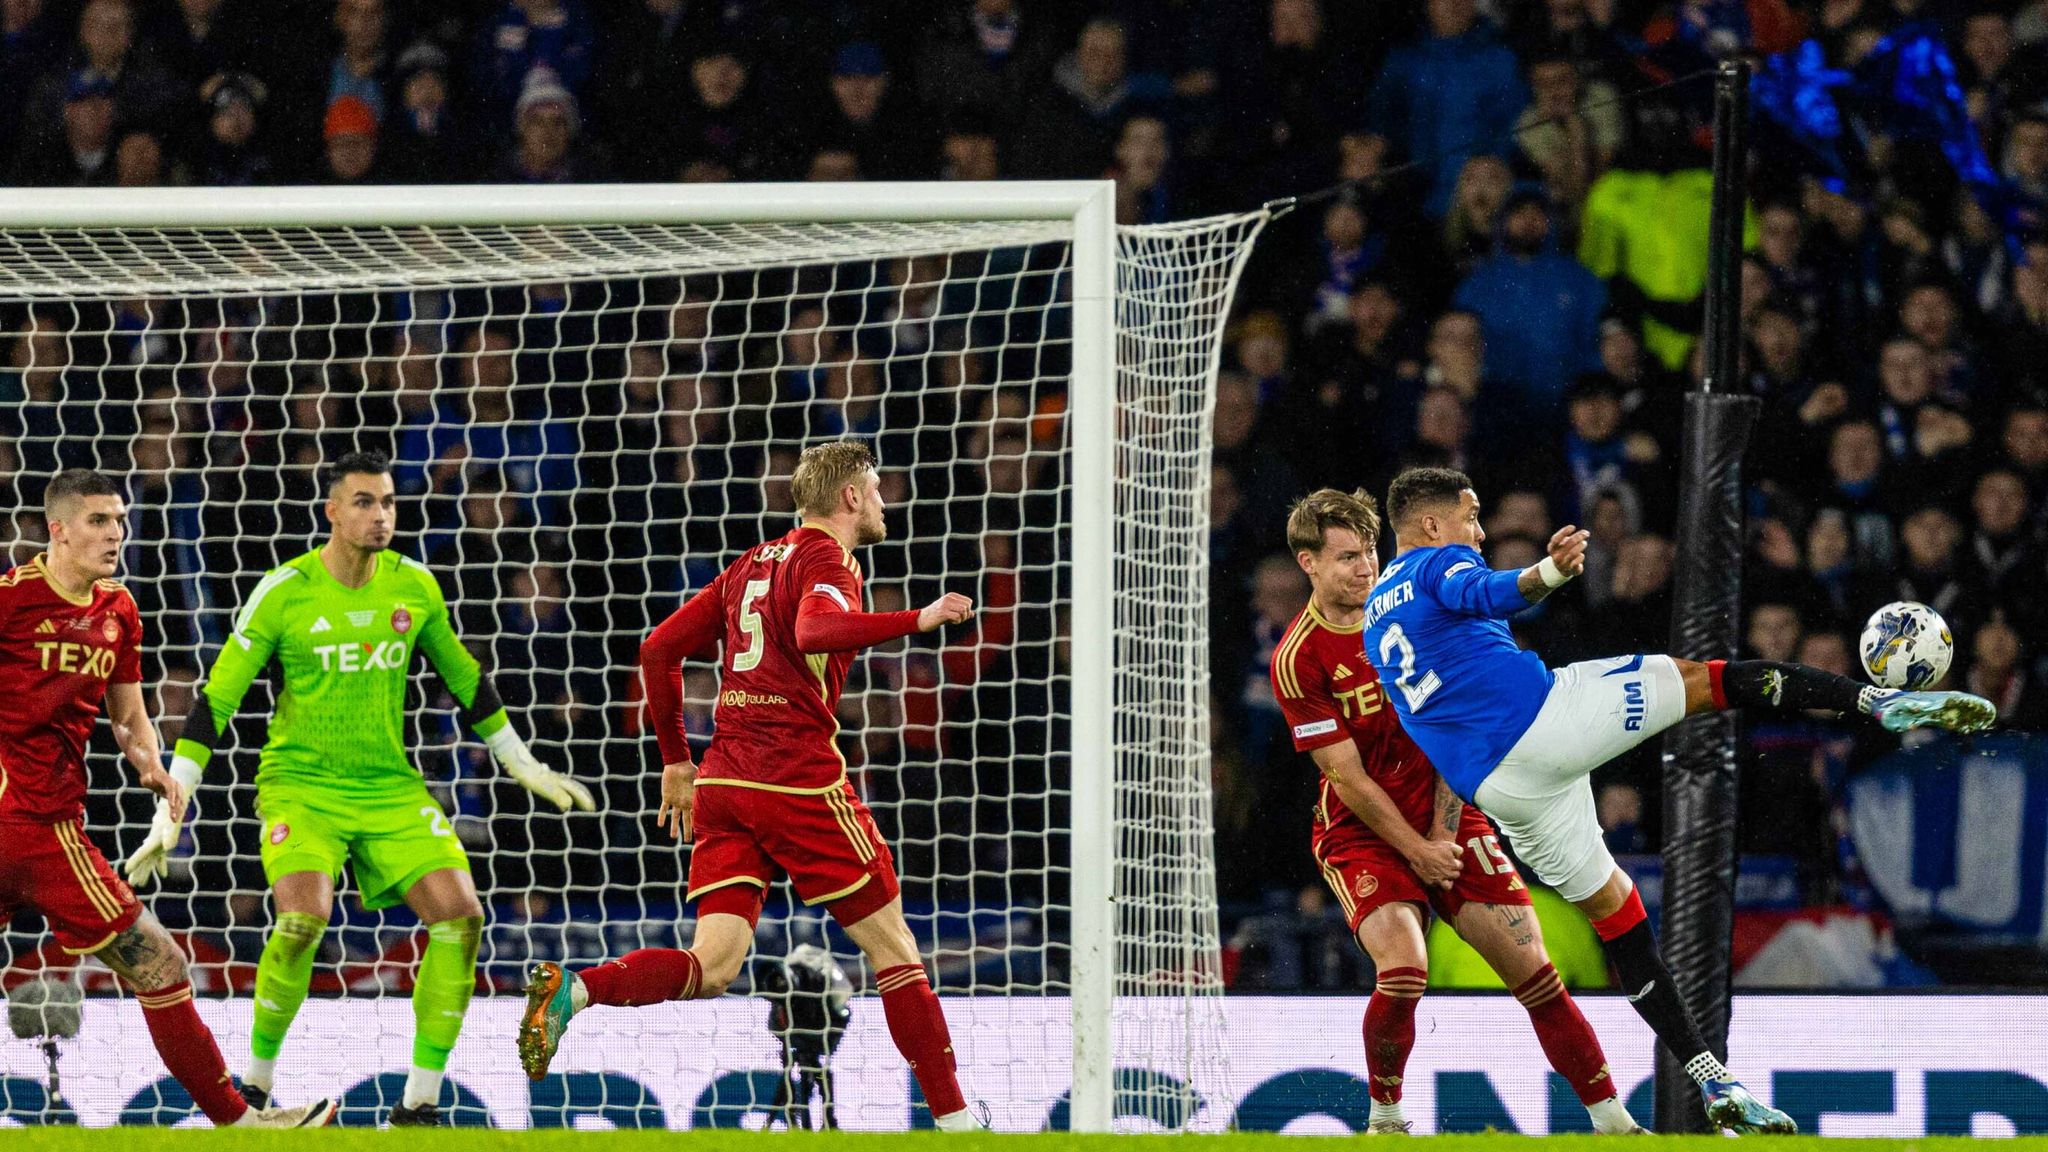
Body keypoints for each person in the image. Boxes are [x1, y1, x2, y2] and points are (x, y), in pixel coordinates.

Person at [1360, 466, 1998, 1134]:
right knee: (1706, 680)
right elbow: (1490, 590)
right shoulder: (1438, 563)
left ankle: (1711, 1079)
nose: (1480, 529)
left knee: (1617, 912)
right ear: (1430, 524)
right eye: (1471, 515)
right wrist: (1546, 574)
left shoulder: (1378, 616)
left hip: (1501, 788)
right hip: (1543, 720)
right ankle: (1877, 701)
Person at [516, 440, 983, 1130]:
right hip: (795, 778)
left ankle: (576, 991)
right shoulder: (829, 559)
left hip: (723, 780)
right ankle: (959, 1127)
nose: (885, 501)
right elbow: (817, 627)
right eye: (877, 489)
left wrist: (677, 760)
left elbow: (657, 650)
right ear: (850, 496)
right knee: (896, 951)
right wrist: (918, 618)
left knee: (714, 964)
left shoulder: (748, 566)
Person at [123, 450, 594, 1126]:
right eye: (366, 502)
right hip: (301, 785)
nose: (381, 515)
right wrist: (176, 799)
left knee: (461, 921)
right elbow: (216, 698)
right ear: (333, 511)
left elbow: (465, 677)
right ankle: (254, 1087)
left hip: (390, 789)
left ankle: (419, 1106)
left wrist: (519, 760)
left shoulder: (414, 587)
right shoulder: (286, 591)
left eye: (388, 503)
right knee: (301, 920)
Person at [1271, 488, 1637, 1135]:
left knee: (1537, 975)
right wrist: (1415, 851)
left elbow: (1455, 724)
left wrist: (1441, 833)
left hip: (1449, 815)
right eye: (1348, 557)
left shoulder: (1409, 612)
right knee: (1405, 968)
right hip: (1364, 832)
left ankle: (1615, 1124)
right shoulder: (1299, 659)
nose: (1365, 568)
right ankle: (1385, 1118)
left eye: (1371, 553)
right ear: (1309, 564)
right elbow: (1346, 778)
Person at [1, 470, 333, 1129]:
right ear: (57, 529)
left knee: (159, 963)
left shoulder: (119, 611)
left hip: (44, 823)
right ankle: (240, 1125)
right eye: (98, 521)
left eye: (119, 520)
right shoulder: (10, 601)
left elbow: (127, 714)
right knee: (160, 962)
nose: (115, 533)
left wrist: (153, 767)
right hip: (33, 822)